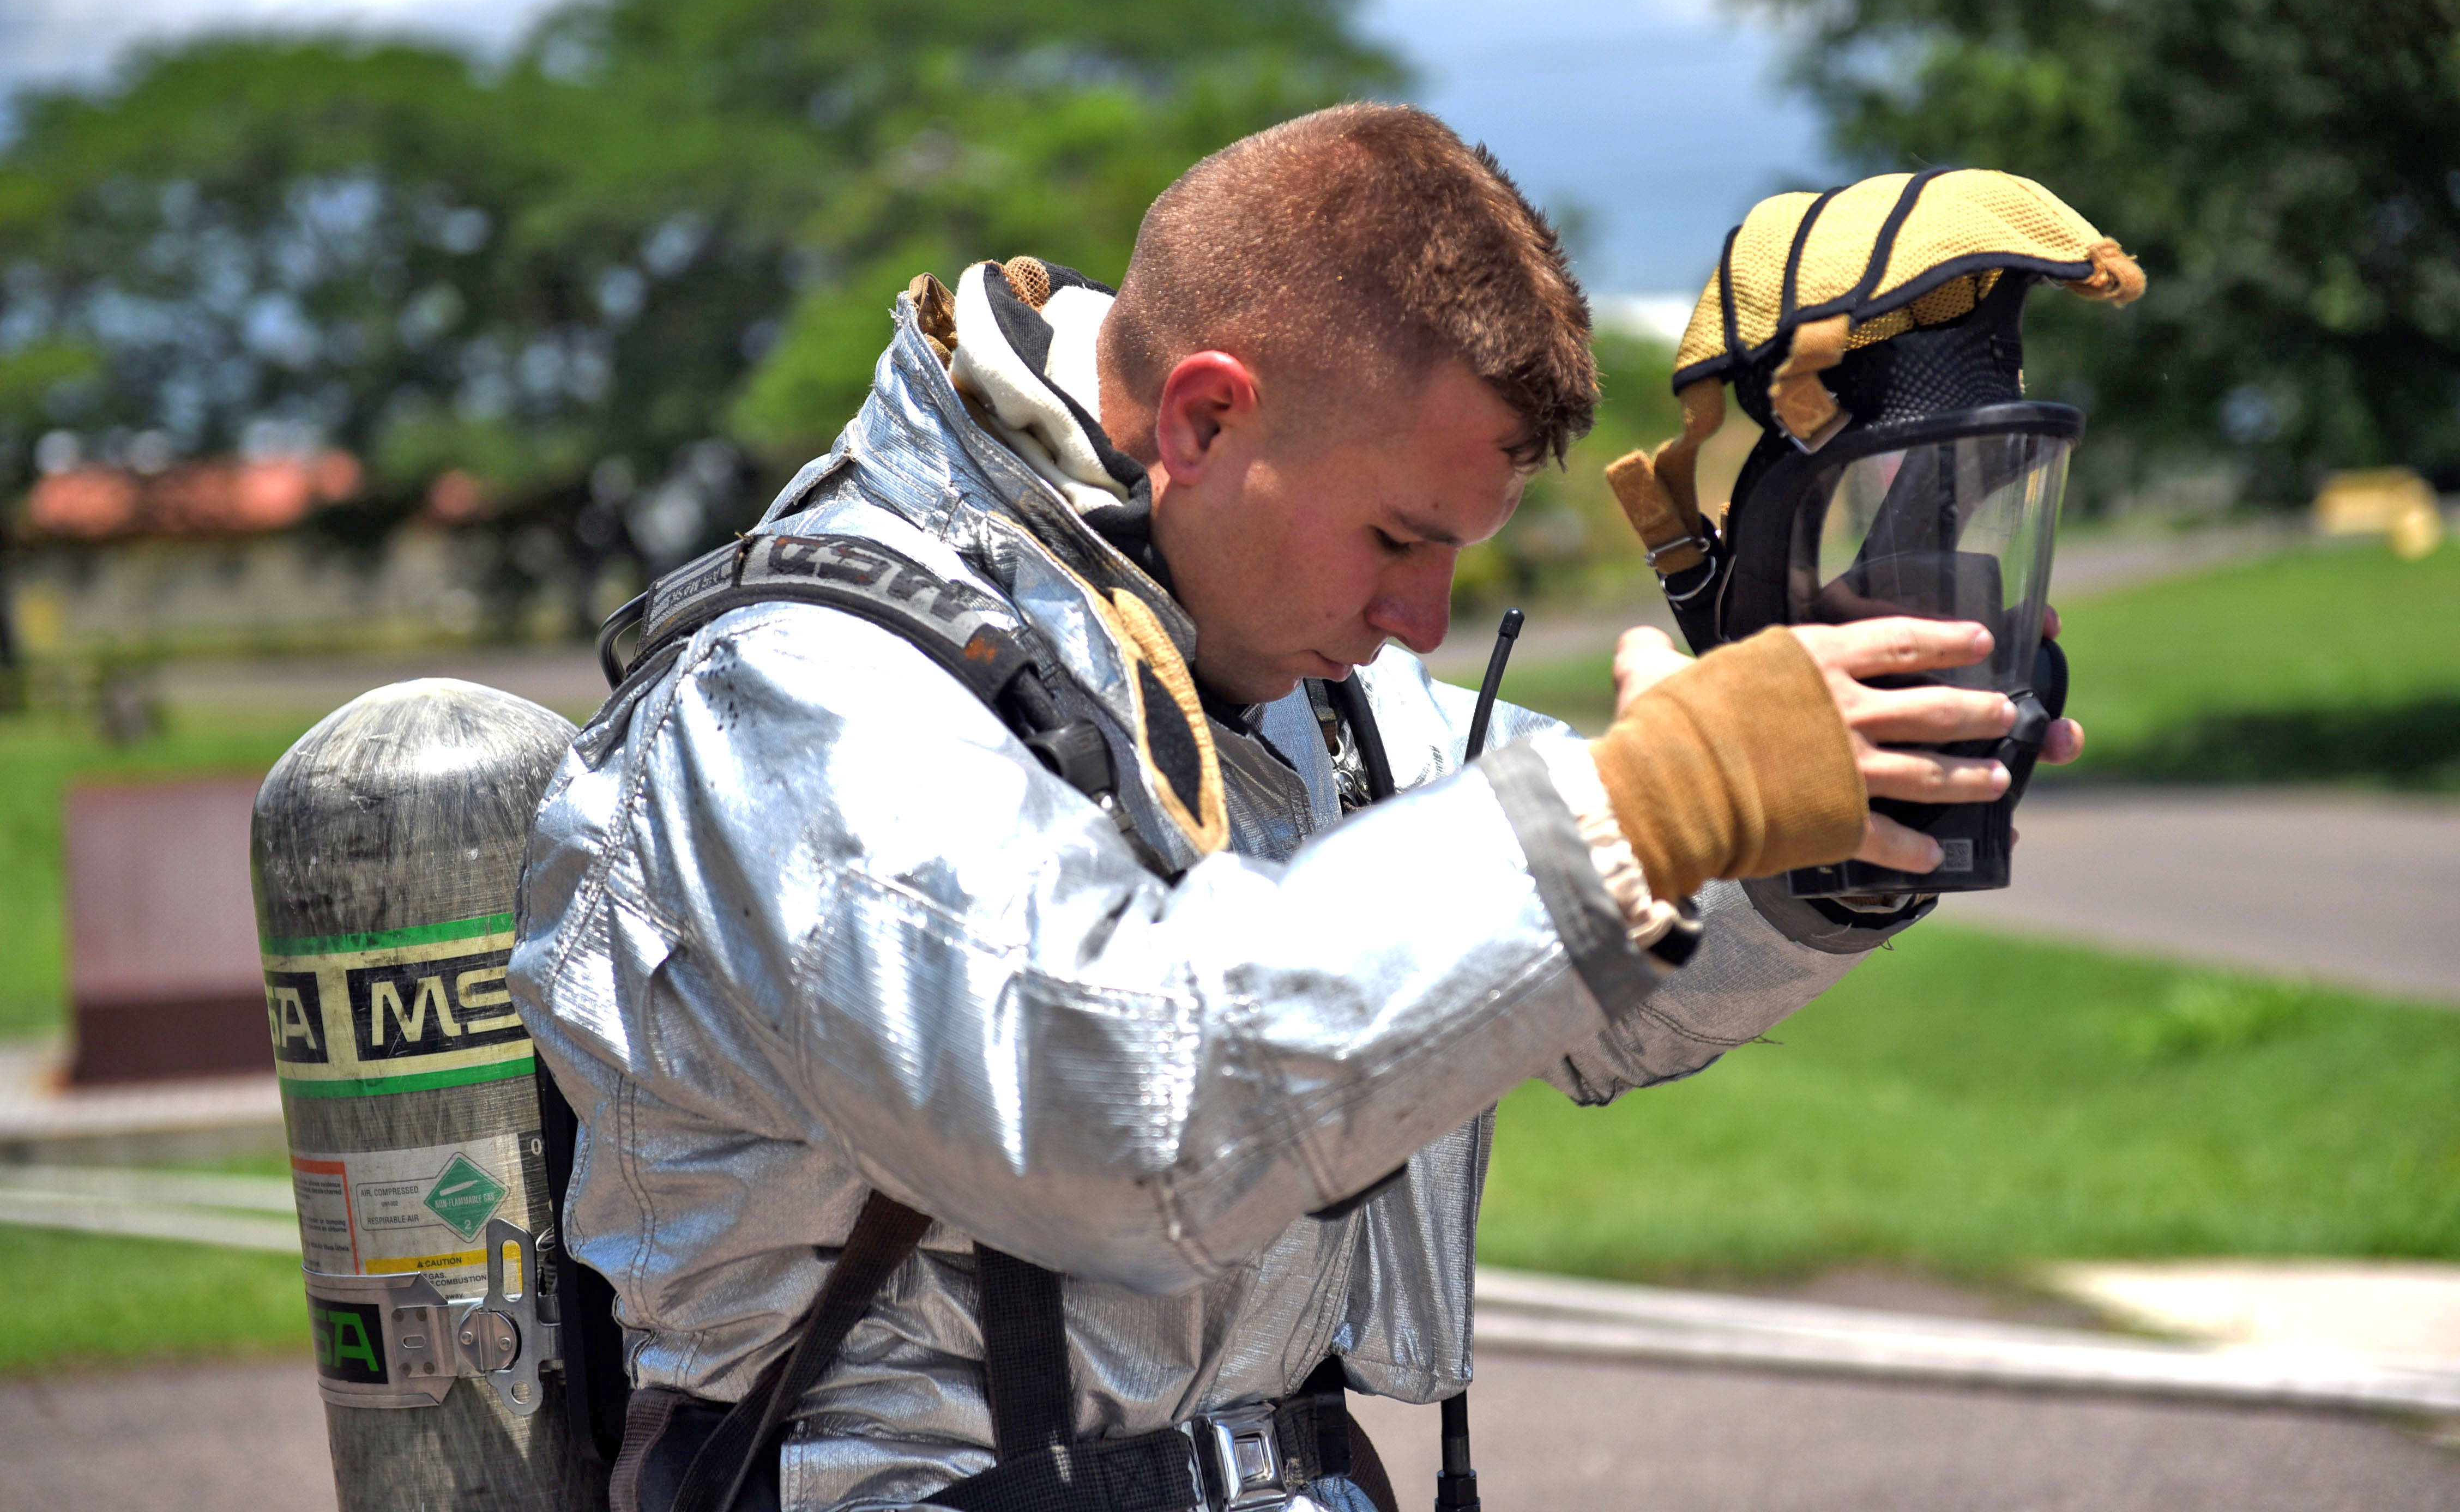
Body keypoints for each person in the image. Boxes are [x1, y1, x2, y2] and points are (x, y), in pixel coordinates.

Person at [510, 102, 2081, 1512]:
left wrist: (1838, 830)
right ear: (1204, 421)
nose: (1421, 619)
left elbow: (1601, 991)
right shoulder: (806, 699)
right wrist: (1662, 800)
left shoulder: (1287, 668)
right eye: (1398, 537)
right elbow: (1119, 1119)